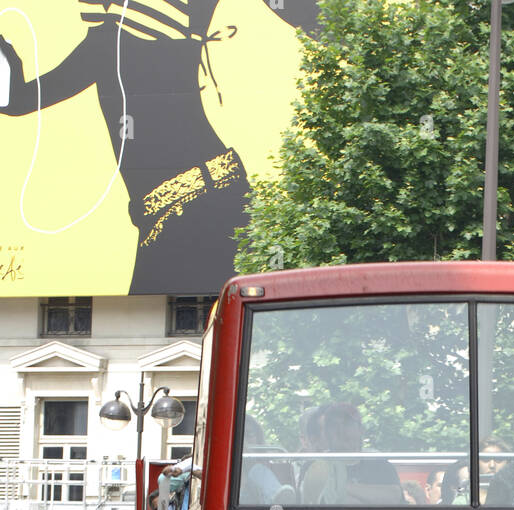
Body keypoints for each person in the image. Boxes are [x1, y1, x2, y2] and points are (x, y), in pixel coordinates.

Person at [0, 2, 308, 293]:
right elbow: (17, 100)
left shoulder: (141, 29)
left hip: (200, 200)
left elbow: (16, 100)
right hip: (183, 205)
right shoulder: (104, 42)